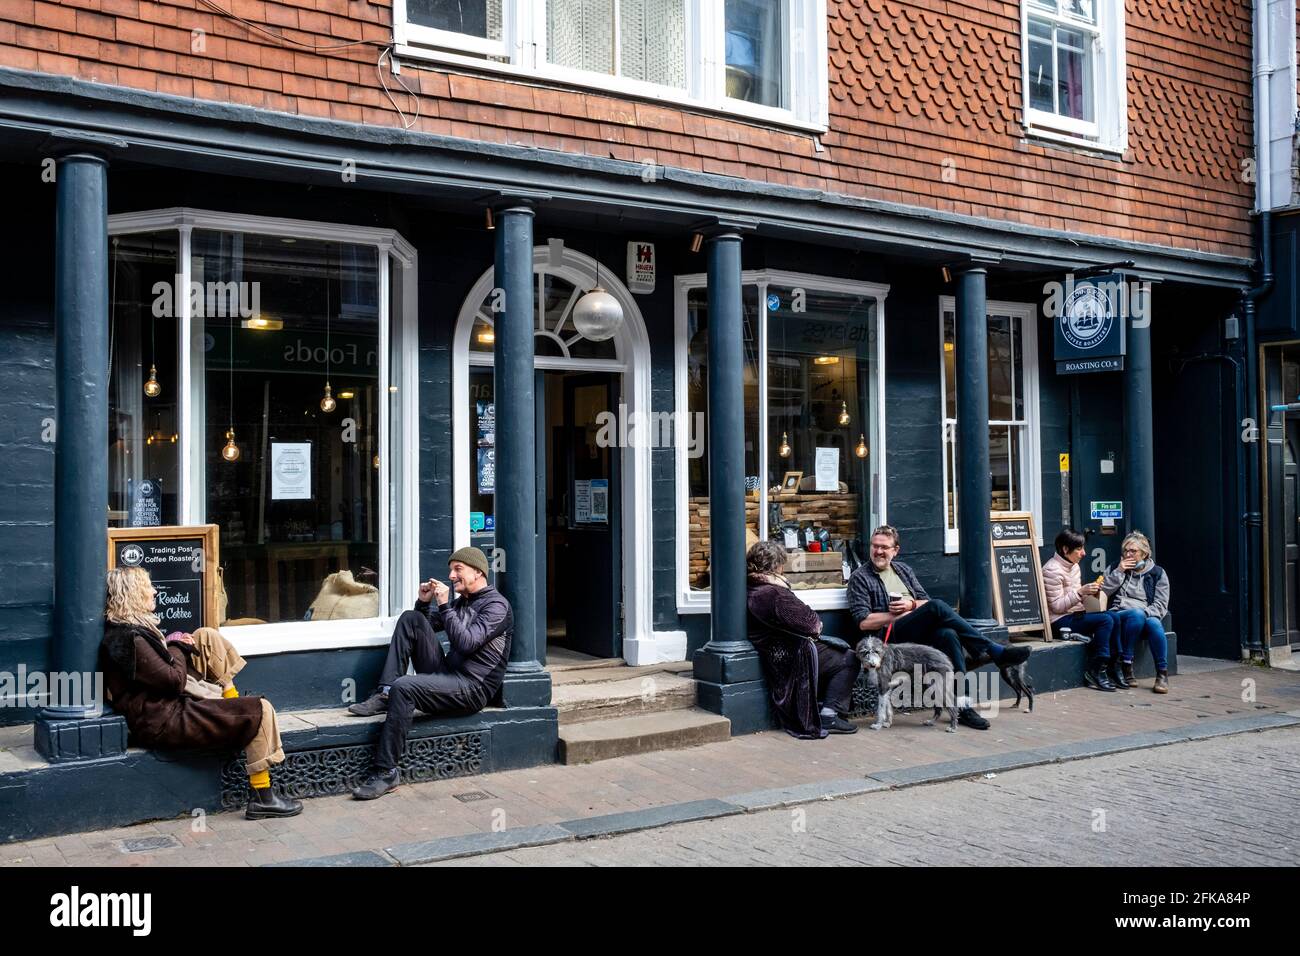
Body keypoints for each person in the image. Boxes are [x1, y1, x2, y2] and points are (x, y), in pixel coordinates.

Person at [100, 566, 302, 820]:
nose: (154, 591)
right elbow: (173, 680)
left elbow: (166, 674)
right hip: (164, 719)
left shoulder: (130, 629)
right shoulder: (129, 639)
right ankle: (263, 797)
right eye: (146, 587)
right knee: (260, 710)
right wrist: (176, 646)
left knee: (205, 636)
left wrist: (177, 645)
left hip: (166, 703)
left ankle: (231, 702)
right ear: (131, 594)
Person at [349, 547, 512, 800]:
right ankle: (385, 692)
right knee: (411, 618)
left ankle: (386, 772)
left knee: (405, 687)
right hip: (448, 675)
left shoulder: (497, 607)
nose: (451, 575)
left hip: (471, 689)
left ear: (478, 572)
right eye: (451, 569)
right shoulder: (462, 602)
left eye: (458, 569)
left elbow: (466, 643)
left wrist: (445, 605)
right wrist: (424, 603)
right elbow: (426, 626)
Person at [845, 525, 1031, 730]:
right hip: (890, 641)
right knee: (939, 606)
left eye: (884, 547)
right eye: (875, 546)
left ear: (895, 550)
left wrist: (911, 605)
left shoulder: (903, 570)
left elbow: (925, 601)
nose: (878, 551)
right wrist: (895, 614)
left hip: (918, 632)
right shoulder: (860, 577)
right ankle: (991, 649)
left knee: (948, 634)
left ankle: (963, 707)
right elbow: (863, 621)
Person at [746, 540, 859, 737]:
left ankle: (824, 706)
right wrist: (816, 623)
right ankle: (829, 715)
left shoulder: (750, 587)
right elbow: (812, 625)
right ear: (777, 565)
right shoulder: (774, 592)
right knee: (849, 658)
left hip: (773, 650)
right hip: (790, 653)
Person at [1042, 528, 1121, 690]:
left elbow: (1076, 598)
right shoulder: (1052, 570)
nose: (1083, 553)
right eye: (1079, 549)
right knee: (1105, 620)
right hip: (1059, 621)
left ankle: (1115, 664)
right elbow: (1057, 607)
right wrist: (1080, 592)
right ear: (1065, 549)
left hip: (1076, 614)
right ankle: (1096, 669)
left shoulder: (1074, 566)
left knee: (1115, 616)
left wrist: (1091, 593)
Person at [1102, 532, 1171, 694]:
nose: (1128, 554)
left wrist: (1146, 612)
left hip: (1145, 614)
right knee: (1137, 615)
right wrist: (1119, 571)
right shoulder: (1115, 568)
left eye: (1133, 551)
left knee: (1154, 623)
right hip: (1118, 614)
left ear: (1144, 553)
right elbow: (1103, 592)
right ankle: (1126, 662)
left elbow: (1161, 605)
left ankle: (1162, 673)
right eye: (1125, 550)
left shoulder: (1158, 573)